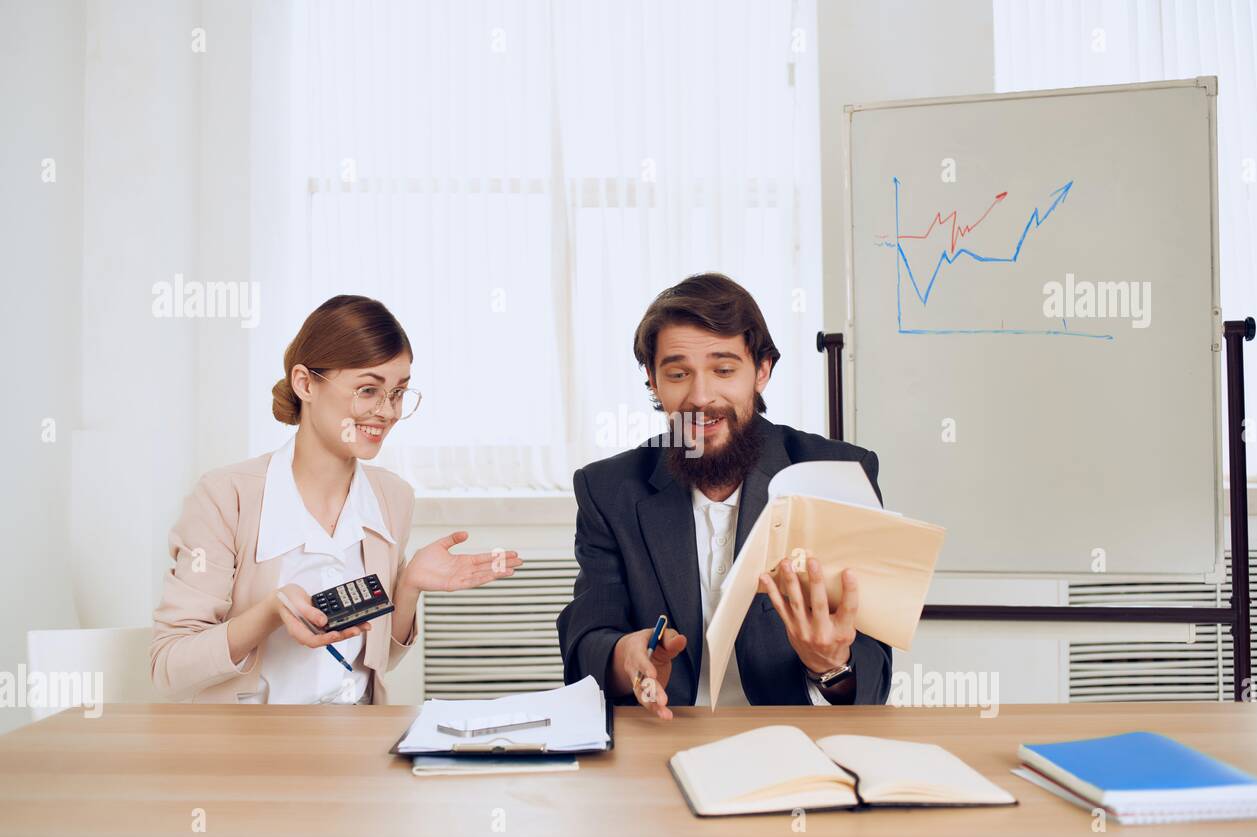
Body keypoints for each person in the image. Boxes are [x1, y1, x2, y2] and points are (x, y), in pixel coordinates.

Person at [152, 294, 521, 704]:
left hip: (355, 741)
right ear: (305, 383)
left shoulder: (392, 496)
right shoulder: (226, 496)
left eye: (399, 392)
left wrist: (410, 585)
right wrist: (270, 613)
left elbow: (375, 661)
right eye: (368, 390)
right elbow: (170, 667)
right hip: (250, 749)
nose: (387, 412)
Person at [557, 273, 890, 717]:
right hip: (664, 735)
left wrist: (829, 666)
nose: (701, 396)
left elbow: (874, 673)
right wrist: (625, 657)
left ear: (763, 371)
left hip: (792, 737)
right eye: (678, 374)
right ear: (653, 384)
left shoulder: (839, 474)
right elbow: (587, 640)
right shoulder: (607, 489)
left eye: (724, 370)